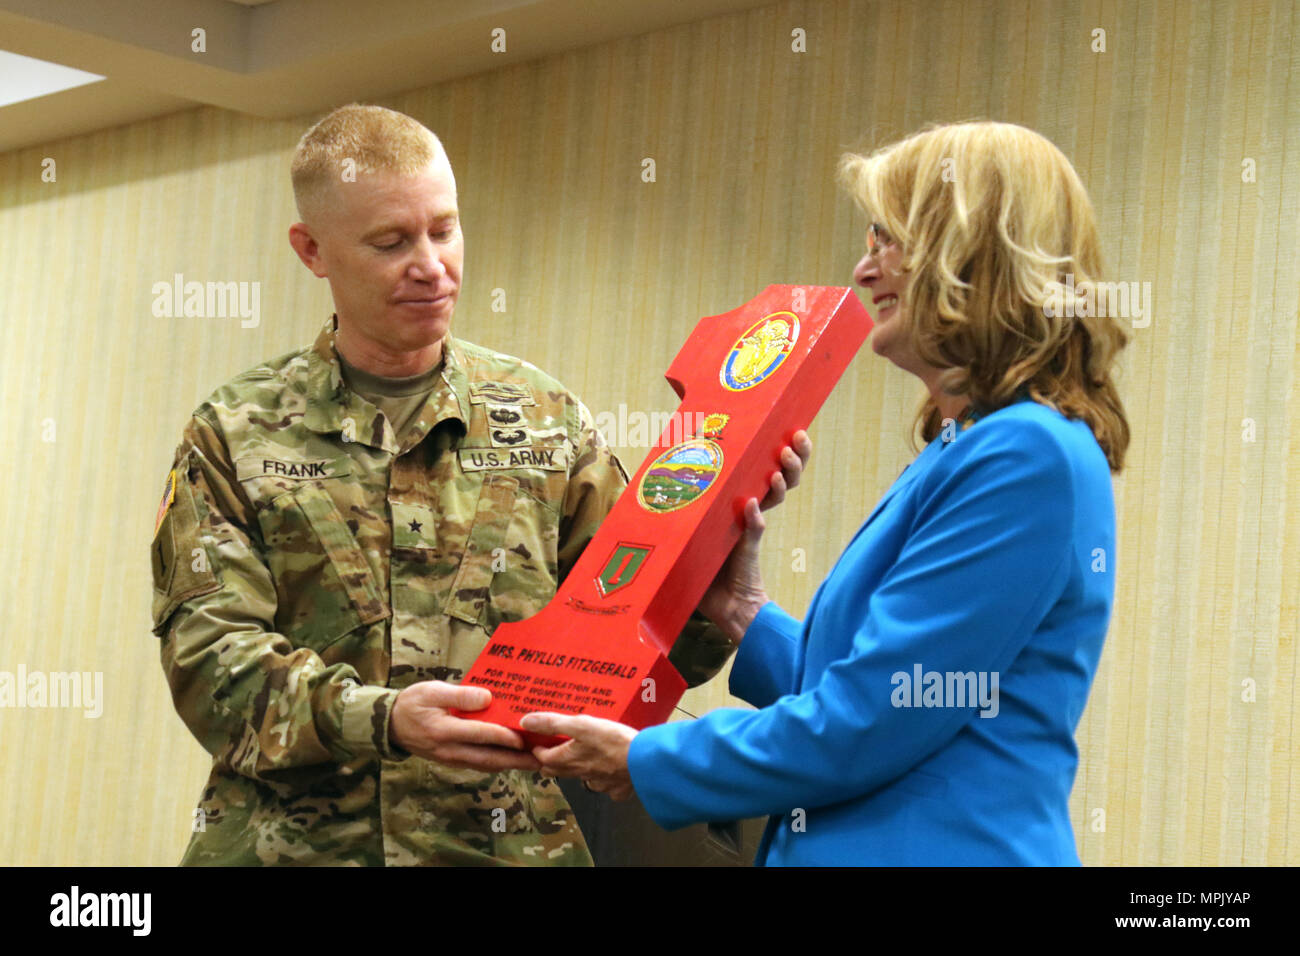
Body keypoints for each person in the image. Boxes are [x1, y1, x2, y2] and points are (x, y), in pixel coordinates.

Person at [149, 103, 806, 866]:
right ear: (312, 250)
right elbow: (209, 662)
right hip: (296, 849)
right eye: (390, 241)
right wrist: (383, 719)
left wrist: (711, 546)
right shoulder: (234, 431)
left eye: (444, 229)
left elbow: (642, 657)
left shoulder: (545, 420)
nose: (430, 263)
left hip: (505, 846)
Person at [523, 120, 1132, 865]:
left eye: (887, 239)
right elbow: (886, 692)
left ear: (968, 249)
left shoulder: (1023, 453)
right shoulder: (975, 447)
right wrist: (744, 610)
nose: (863, 269)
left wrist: (648, 760)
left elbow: (869, 722)